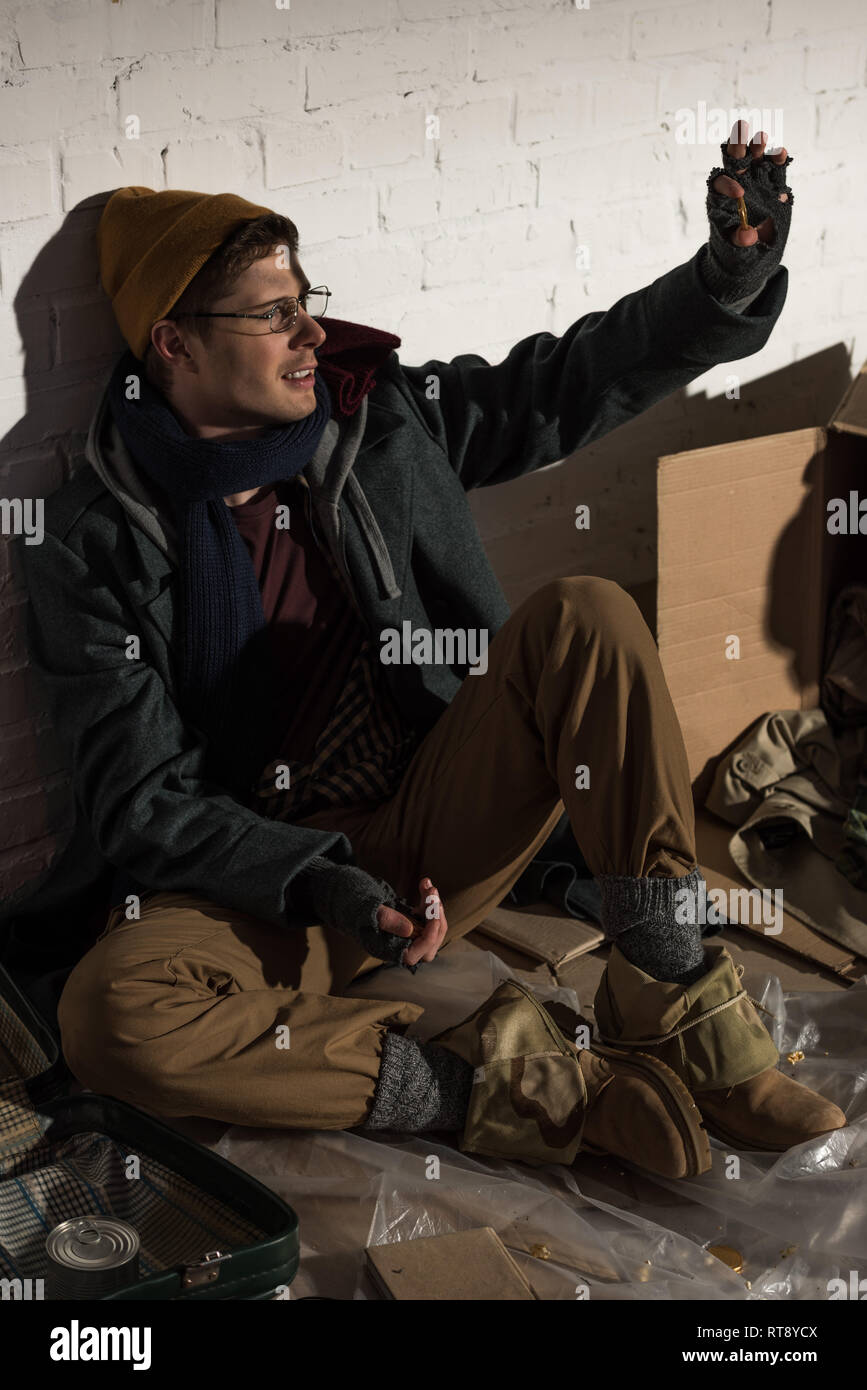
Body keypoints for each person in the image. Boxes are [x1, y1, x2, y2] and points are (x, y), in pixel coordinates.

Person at [4, 121, 846, 1180]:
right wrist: (327, 883)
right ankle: (510, 1083)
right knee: (109, 1017)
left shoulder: (375, 416)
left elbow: (565, 384)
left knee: (585, 611)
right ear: (174, 344)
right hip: (270, 891)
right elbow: (144, 804)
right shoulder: (94, 540)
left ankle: (676, 1005)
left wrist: (724, 279)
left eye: (306, 302)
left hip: (439, 826)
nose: (312, 334)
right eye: (276, 316)